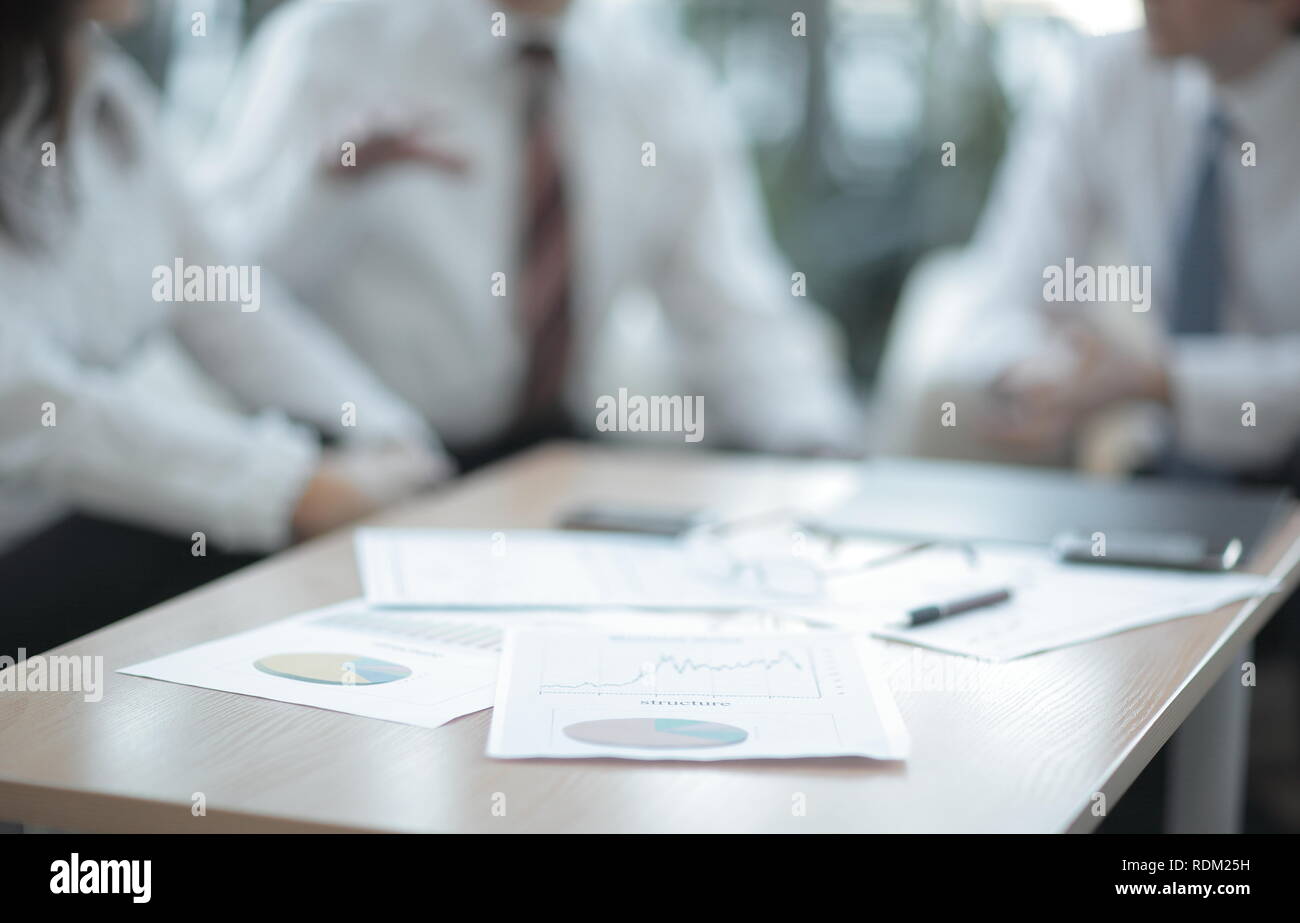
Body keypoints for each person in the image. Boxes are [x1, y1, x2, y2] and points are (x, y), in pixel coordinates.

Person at [194, 0, 861, 468]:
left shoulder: (660, 83)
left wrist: (819, 447)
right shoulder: (330, 42)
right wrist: (321, 189)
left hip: (552, 459)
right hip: (360, 462)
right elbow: (218, 297)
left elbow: (734, 311)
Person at [0, 0, 450, 659]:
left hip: (68, 523)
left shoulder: (105, 89)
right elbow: (25, 404)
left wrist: (388, 433)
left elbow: (224, 300)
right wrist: (294, 485)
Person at [876, 0, 1300, 487]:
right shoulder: (1110, 78)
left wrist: (1162, 381)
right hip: (1174, 473)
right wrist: (1054, 371)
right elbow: (1003, 302)